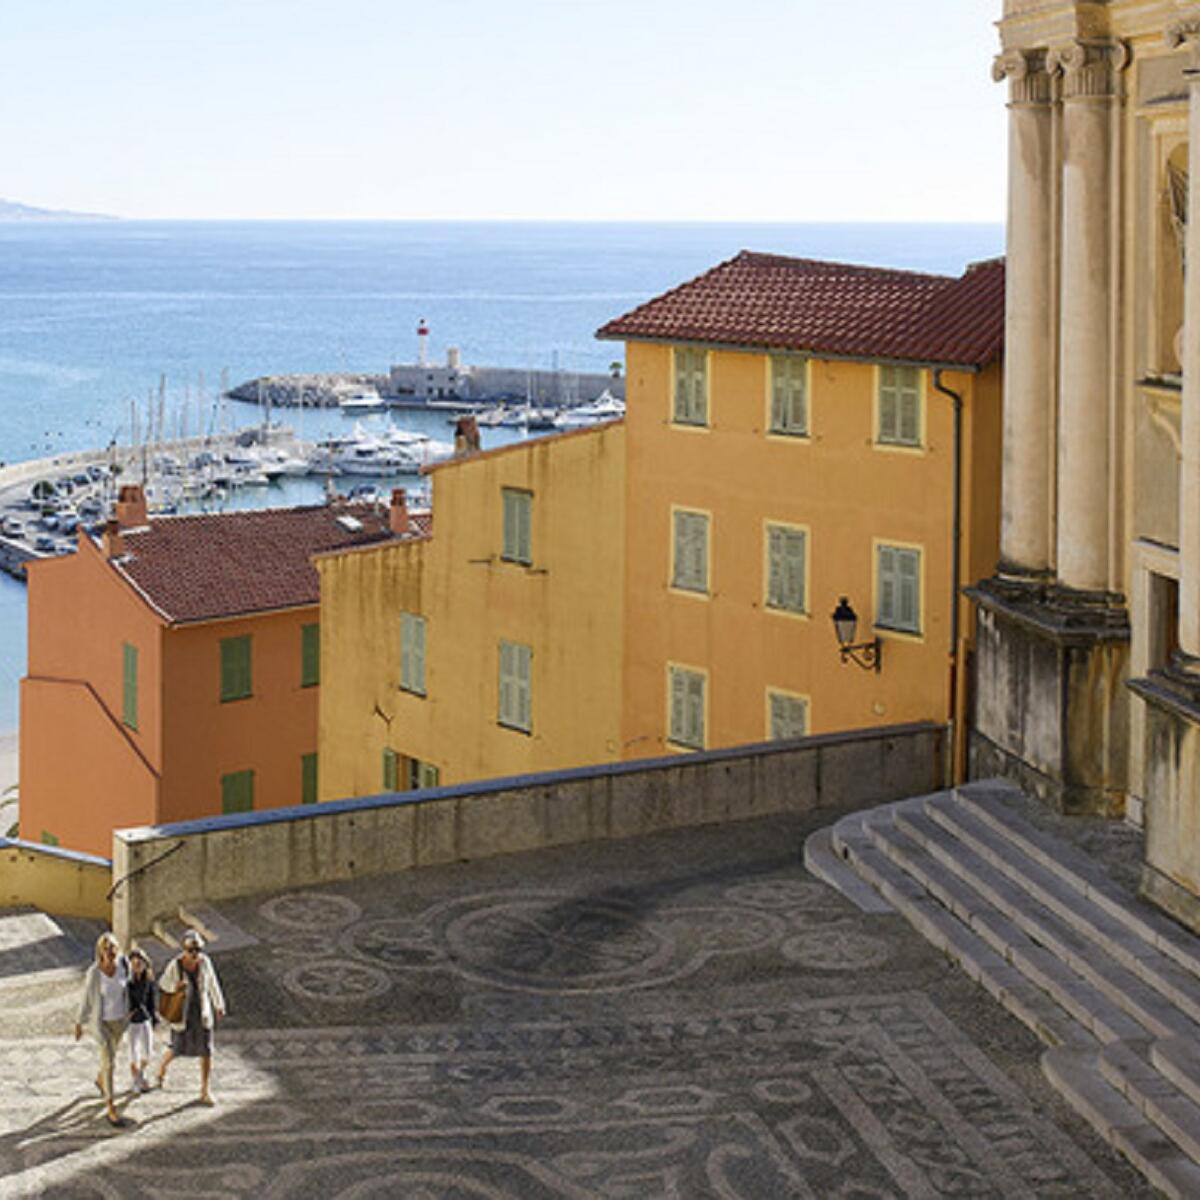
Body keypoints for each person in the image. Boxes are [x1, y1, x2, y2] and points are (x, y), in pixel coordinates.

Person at [156, 929, 225, 1105]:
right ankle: (161, 1069)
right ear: (184, 950)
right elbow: (163, 984)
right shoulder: (175, 965)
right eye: (190, 950)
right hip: (183, 1013)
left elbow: (212, 984)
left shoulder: (205, 962)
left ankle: (205, 1089)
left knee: (206, 1051)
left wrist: (219, 1004)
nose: (194, 954)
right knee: (177, 1048)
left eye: (197, 950)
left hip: (201, 1011)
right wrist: (176, 986)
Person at [74, 931, 130, 1127]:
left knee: (111, 1058)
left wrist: (132, 1012)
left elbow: (130, 988)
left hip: (120, 1022)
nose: (110, 951)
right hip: (102, 1023)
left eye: (113, 947)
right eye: (106, 948)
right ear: (100, 950)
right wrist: (79, 1023)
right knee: (110, 1063)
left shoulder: (124, 965)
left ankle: (100, 1080)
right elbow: (86, 999)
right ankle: (111, 1107)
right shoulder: (95, 973)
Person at [126, 947, 157, 1094]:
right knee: (134, 1053)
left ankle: (140, 1075)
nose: (138, 966)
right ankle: (136, 1080)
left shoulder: (148, 980)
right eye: (135, 963)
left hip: (145, 1020)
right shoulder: (127, 982)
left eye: (140, 963)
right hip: (132, 1022)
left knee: (148, 1053)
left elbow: (151, 1001)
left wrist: (153, 1018)